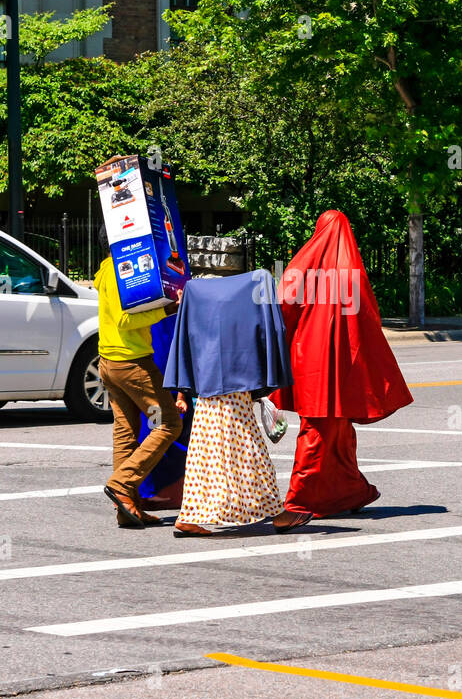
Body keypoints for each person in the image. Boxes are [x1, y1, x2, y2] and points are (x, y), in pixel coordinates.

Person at [271, 210, 413, 517]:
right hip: (344, 365)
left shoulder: (303, 265)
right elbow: (369, 319)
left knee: (325, 429)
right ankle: (342, 493)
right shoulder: (354, 272)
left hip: (309, 362)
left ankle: (305, 502)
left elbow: (283, 304)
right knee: (330, 428)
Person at [163, 269, 310, 537]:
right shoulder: (244, 305)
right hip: (234, 386)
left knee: (205, 453)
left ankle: (189, 515)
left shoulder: (199, 304)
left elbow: (185, 342)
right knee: (249, 449)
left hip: (209, 387)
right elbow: (268, 331)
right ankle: (277, 514)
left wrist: (183, 393)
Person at [92, 226, 183, 529]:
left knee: (126, 432)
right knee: (169, 422)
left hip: (110, 363)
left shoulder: (105, 270)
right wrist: (167, 309)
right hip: (132, 364)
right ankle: (121, 484)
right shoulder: (118, 271)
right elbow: (125, 318)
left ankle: (126, 507)